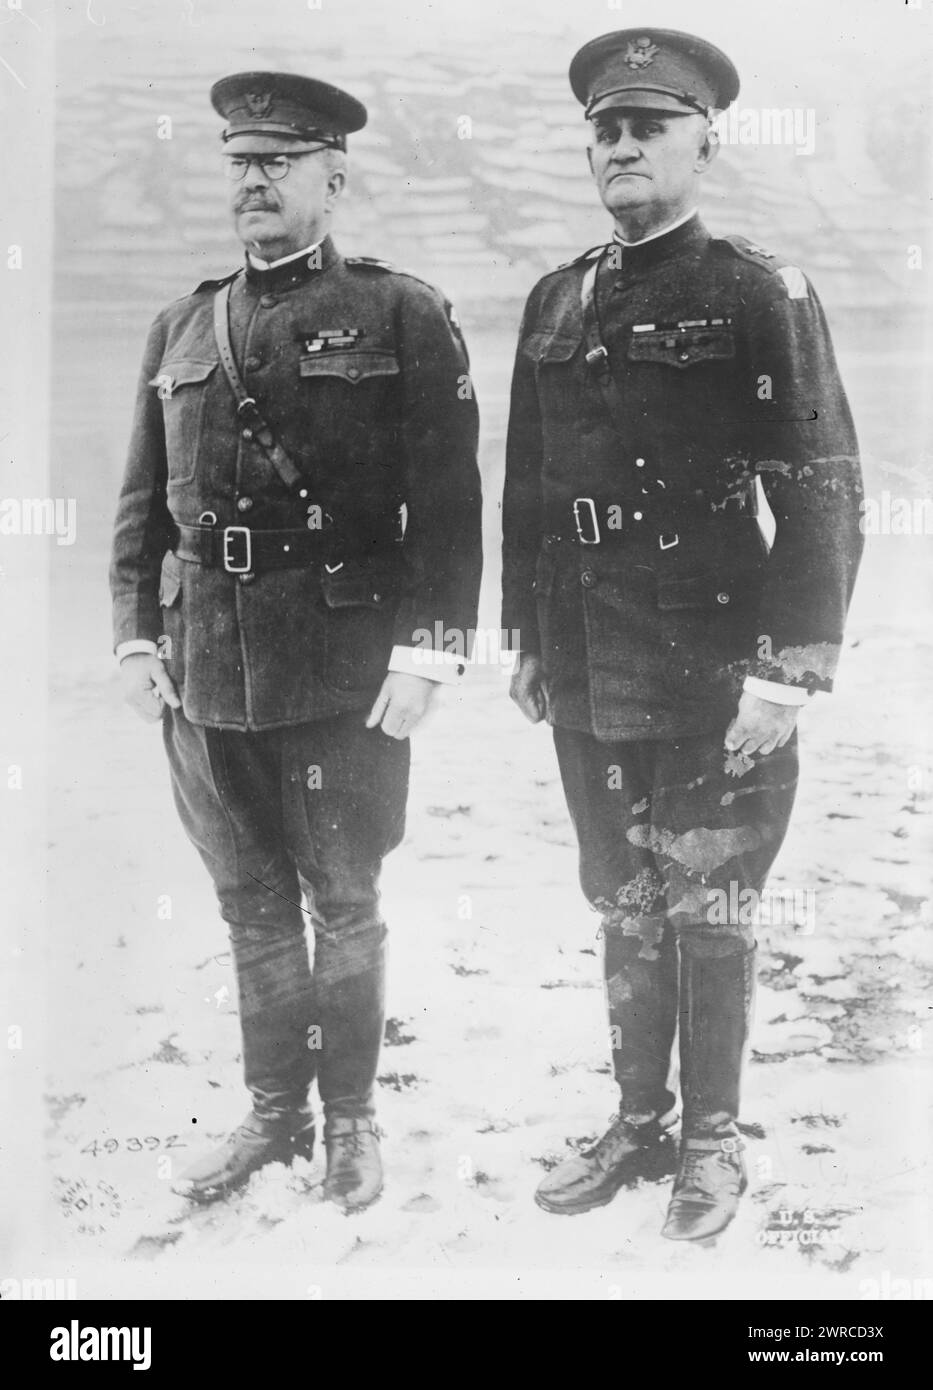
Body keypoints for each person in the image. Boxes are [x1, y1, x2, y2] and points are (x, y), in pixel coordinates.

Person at [501, 28, 863, 1240]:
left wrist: (790, 673)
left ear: (707, 142)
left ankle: (711, 1137)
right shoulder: (558, 297)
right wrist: (528, 637)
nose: (621, 147)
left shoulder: (759, 290)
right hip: (592, 661)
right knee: (624, 897)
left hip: (716, 661)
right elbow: (528, 487)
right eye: (605, 129)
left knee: (710, 903)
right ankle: (638, 1120)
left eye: (648, 126)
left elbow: (818, 484)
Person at [111, 70, 482, 1210]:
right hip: (204, 671)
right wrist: (134, 638)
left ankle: (353, 1120)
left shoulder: (400, 313)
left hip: (343, 673)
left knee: (345, 897)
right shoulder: (183, 324)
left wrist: (429, 651)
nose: (256, 180)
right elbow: (140, 505)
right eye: (241, 163)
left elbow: (451, 505)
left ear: (335, 175)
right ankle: (274, 1112)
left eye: (280, 161)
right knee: (247, 900)